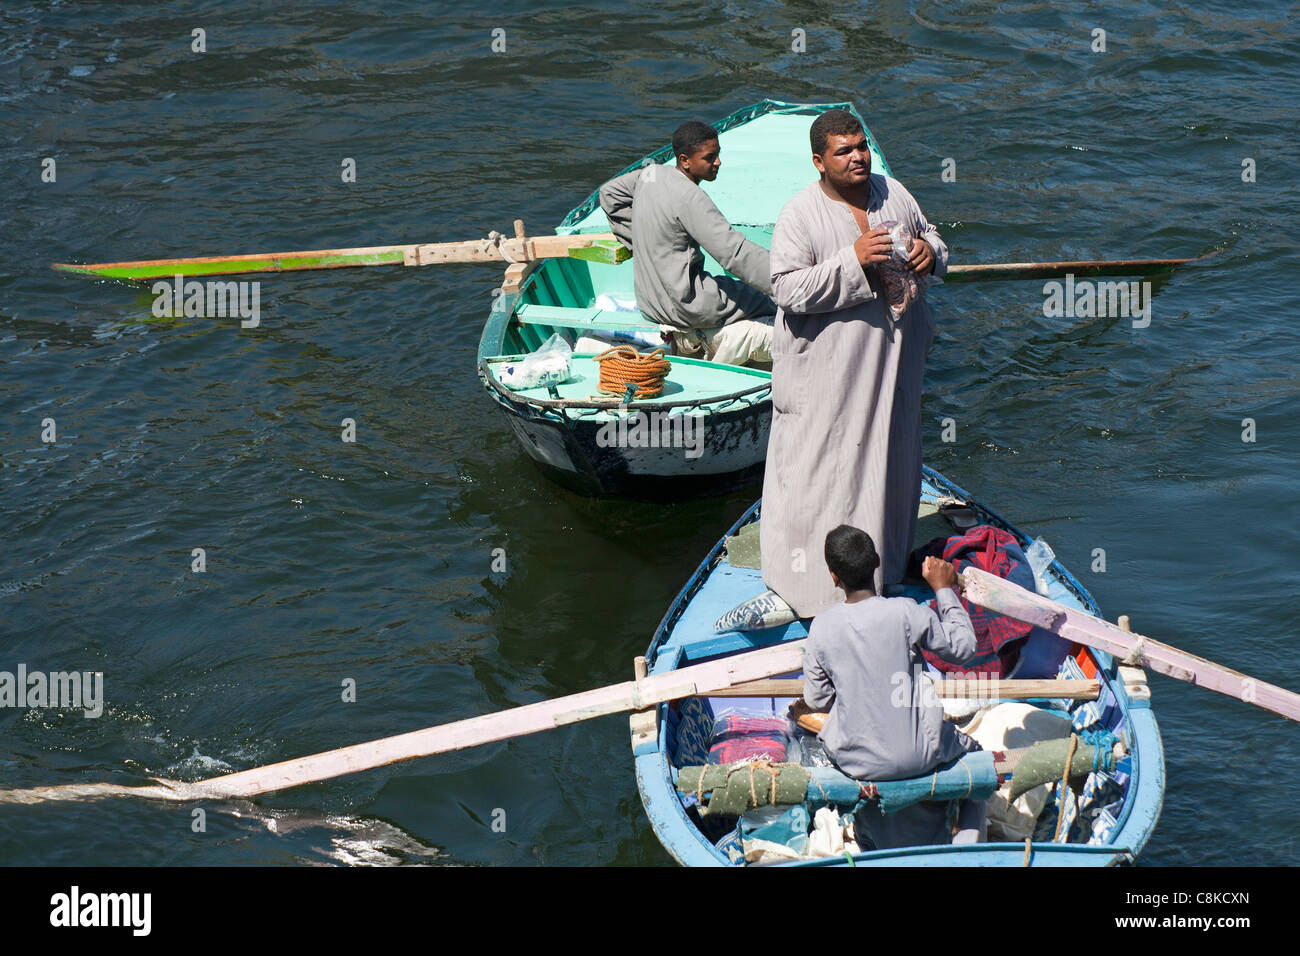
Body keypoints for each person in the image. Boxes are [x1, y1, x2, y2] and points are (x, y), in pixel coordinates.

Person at [759, 108, 948, 616]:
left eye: (861, 146)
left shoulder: (894, 192)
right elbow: (786, 289)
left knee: (891, 462)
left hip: (893, 370)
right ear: (820, 162)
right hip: (831, 378)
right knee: (821, 473)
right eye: (844, 151)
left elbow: (932, 234)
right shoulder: (800, 214)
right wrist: (854, 259)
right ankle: (807, 589)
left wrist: (931, 249)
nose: (858, 157)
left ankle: (882, 571)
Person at [802, 524, 986, 849]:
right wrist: (943, 589)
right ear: (876, 563)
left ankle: (870, 842)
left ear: (834, 576)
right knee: (979, 760)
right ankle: (970, 846)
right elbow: (964, 647)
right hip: (922, 754)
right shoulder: (905, 611)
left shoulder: (822, 627)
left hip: (858, 763)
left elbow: (817, 699)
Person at [598, 121, 776, 367]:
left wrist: (641, 238)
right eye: (709, 157)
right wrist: (785, 280)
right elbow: (734, 254)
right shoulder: (690, 197)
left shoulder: (651, 175)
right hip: (686, 305)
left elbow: (609, 194)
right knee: (765, 299)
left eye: (718, 154)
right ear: (685, 161)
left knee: (732, 286)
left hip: (651, 304)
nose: (718, 162)